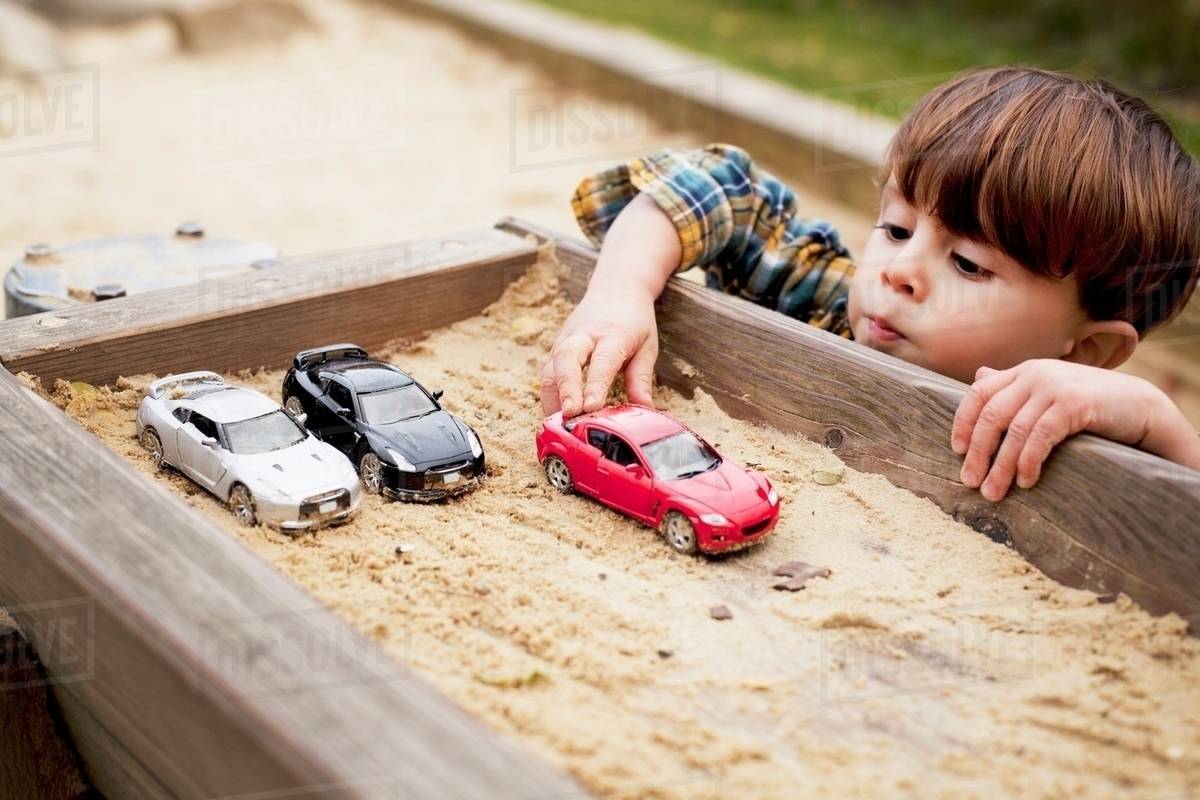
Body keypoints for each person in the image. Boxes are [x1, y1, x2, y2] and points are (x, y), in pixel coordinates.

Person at [540, 66, 1200, 501]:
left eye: (967, 264)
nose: (900, 273)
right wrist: (620, 291)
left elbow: (1177, 528)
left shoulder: (1071, 420)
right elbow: (718, 186)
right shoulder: (820, 298)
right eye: (896, 228)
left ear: (1083, 353)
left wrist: (1153, 420)